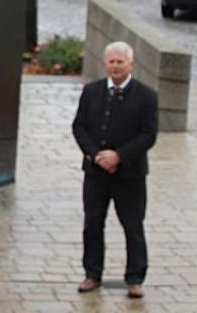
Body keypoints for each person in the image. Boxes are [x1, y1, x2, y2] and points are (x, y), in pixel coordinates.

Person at [72, 41, 159, 299]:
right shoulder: (91, 91)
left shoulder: (146, 95)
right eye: (111, 61)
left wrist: (119, 156)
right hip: (96, 173)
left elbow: (148, 135)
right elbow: (79, 126)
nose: (116, 66)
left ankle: (134, 278)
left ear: (131, 64)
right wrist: (96, 155)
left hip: (130, 175)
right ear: (105, 63)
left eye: (121, 62)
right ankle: (92, 274)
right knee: (92, 224)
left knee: (133, 226)